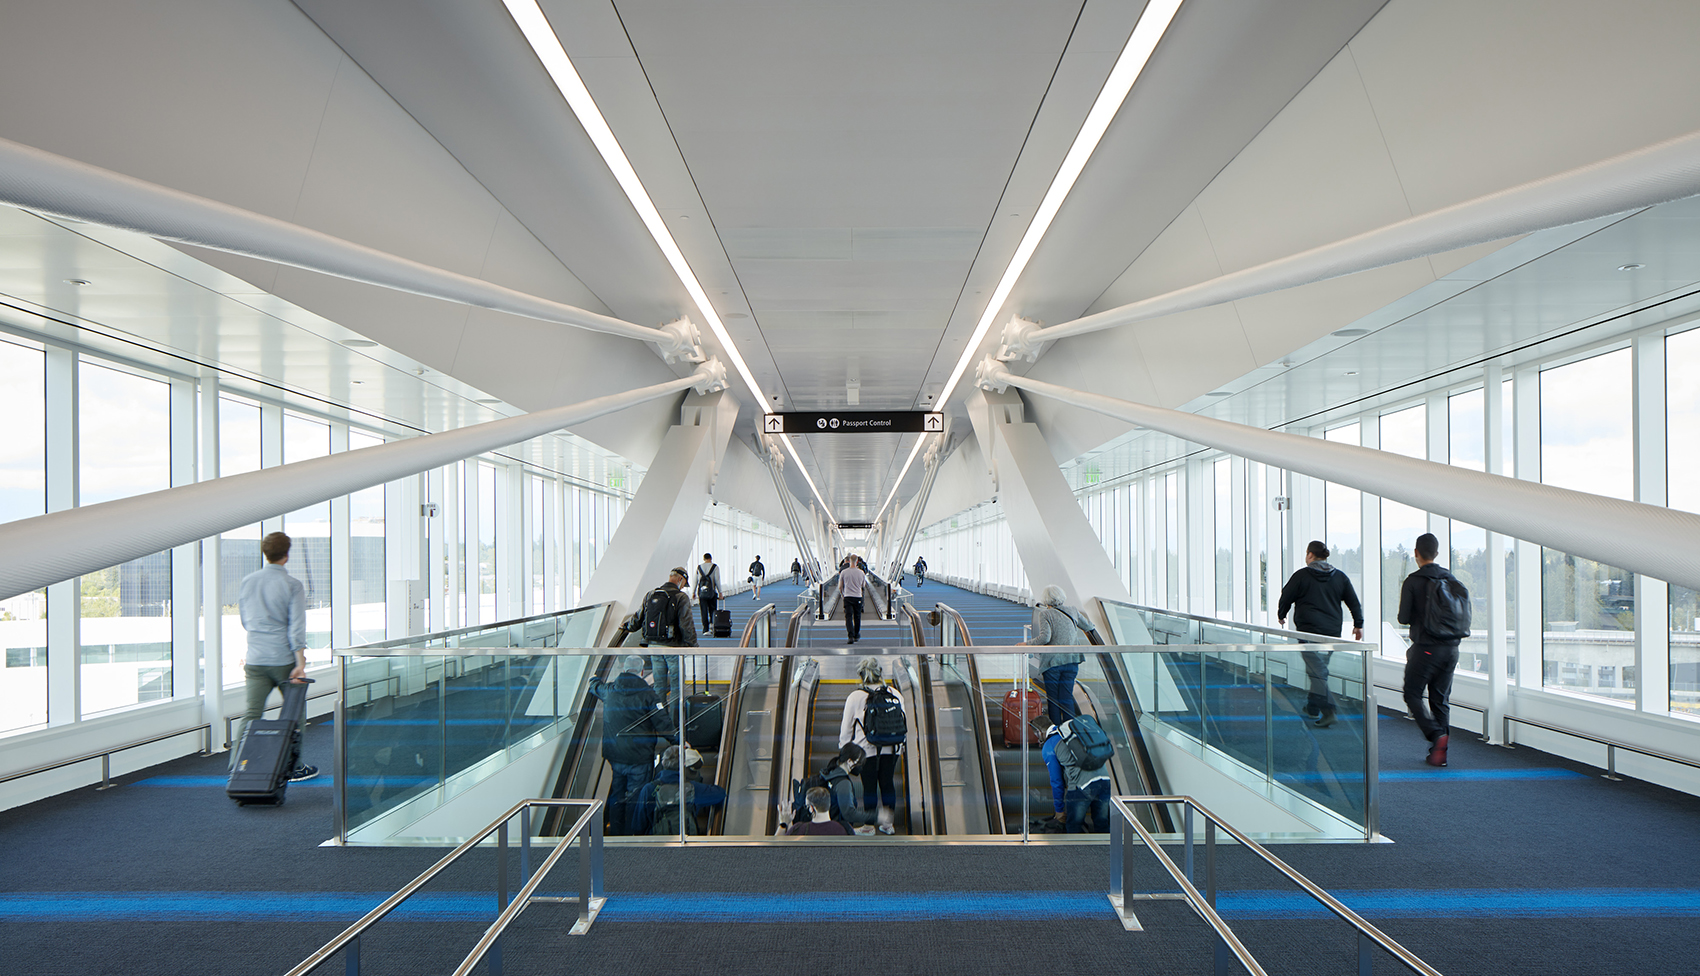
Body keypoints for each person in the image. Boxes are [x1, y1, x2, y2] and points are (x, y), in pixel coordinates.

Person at [233, 531, 317, 782]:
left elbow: (246, 621)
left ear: (265, 553)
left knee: (251, 713)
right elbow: (296, 627)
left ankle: (238, 766)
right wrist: (300, 662)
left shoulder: (248, 581)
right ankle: (294, 767)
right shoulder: (292, 585)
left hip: (256, 658)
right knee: (294, 714)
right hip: (283, 660)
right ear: (287, 555)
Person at [1277, 541, 1366, 729]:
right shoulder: (1339, 577)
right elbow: (1353, 601)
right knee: (1318, 670)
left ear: (1310, 555)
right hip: (1331, 632)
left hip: (1308, 630)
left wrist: (1281, 614)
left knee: (1317, 671)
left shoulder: (1302, 575)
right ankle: (1312, 707)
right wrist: (1358, 624)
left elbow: (1286, 595)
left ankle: (1329, 710)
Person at [588, 654, 673, 834]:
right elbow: (663, 724)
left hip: (615, 757)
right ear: (642, 672)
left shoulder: (609, 690)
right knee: (637, 797)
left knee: (617, 795)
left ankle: (616, 832)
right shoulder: (649, 696)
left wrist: (594, 678)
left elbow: (595, 687)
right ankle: (634, 834)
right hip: (640, 758)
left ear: (624, 670)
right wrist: (680, 741)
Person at [1399, 532, 1462, 767]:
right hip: (1452, 649)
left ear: (1416, 553)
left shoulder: (1413, 581)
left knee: (1412, 693)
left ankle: (1436, 735)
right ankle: (1440, 752)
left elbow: (1404, 617)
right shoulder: (1451, 579)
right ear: (1436, 554)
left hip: (1426, 648)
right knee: (1440, 699)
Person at [840, 656, 903, 833]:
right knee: (887, 783)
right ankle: (888, 824)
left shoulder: (855, 697)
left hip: (865, 750)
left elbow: (846, 729)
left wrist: (844, 751)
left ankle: (869, 825)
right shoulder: (895, 693)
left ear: (861, 675)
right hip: (892, 749)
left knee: (869, 786)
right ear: (880, 673)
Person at [1022, 584, 1094, 726]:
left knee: (1053, 699)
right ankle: (1069, 731)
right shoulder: (1073, 610)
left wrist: (1026, 644)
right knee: (1066, 697)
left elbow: (1045, 638)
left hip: (1052, 663)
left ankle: (1056, 732)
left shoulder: (1045, 614)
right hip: (1071, 661)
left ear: (1045, 599)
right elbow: (1089, 626)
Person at [636, 567, 696, 716]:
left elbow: (638, 618)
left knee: (659, 686)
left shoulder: (651, 594)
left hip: (654, 646)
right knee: (676, 687)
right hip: (673, 648)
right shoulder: (681, 597)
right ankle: (676, 724)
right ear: (680, 579)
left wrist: (626, 627)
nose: (683, 587)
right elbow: (686, 624)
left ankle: (660, 721)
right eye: (684, 584)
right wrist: (692, 645)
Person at [1042, 722, 1112, 833]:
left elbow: (1056, 781)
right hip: (1104, 778)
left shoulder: (1049, 745)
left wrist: (1059, 809)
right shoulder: (1072, 732)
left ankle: (1076, 850)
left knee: (1074, 825)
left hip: (1082, 784)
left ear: (1039, 732)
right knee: (1102, 823)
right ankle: (1107, 850)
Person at [839, 555, 867, 643]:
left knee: (848, 617)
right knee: (857, 616)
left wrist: (843, 595)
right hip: (858, 596)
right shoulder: (861, 572)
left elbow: (840, 587)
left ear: (849, 561)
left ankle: (850, 636)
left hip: (847, 596)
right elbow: (863, 585)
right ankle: (856, 634)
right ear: (857, 562)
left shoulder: (844, 572)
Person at [694, 553, 722, 635]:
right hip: (712, 592)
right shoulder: (715, 567)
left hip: (702, 593)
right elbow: (717, 580)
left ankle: (705, 629)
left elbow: (696, 580)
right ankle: (712, 625)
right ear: (711, 558)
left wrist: (693, 592)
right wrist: (720, 592)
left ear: (704, 559)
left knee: (703, 610)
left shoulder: (699, 567)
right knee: (713, 610)